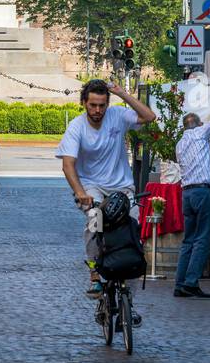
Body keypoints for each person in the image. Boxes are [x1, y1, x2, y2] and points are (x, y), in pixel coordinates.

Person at [56, 79, 157, 300]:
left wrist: (122, 93)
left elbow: (149, 117)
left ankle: (126, 274)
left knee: (132, 222)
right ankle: (94, 274)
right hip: (91, 186)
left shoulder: (118, 116)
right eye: (93, 105)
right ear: (84, 103)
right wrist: (81, 192)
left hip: (121, 185)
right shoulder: (77, 126)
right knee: (95, 220)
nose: (97, 110)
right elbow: (67, 164)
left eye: (102, 105)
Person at [173, 111, 210, 298]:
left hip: (186, 193)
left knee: (188, 240)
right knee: (203, 239)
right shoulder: (200, 132)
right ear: (198, 123)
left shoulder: (179, 144)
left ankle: (179, 284)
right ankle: (191, 282)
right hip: (203, 191)